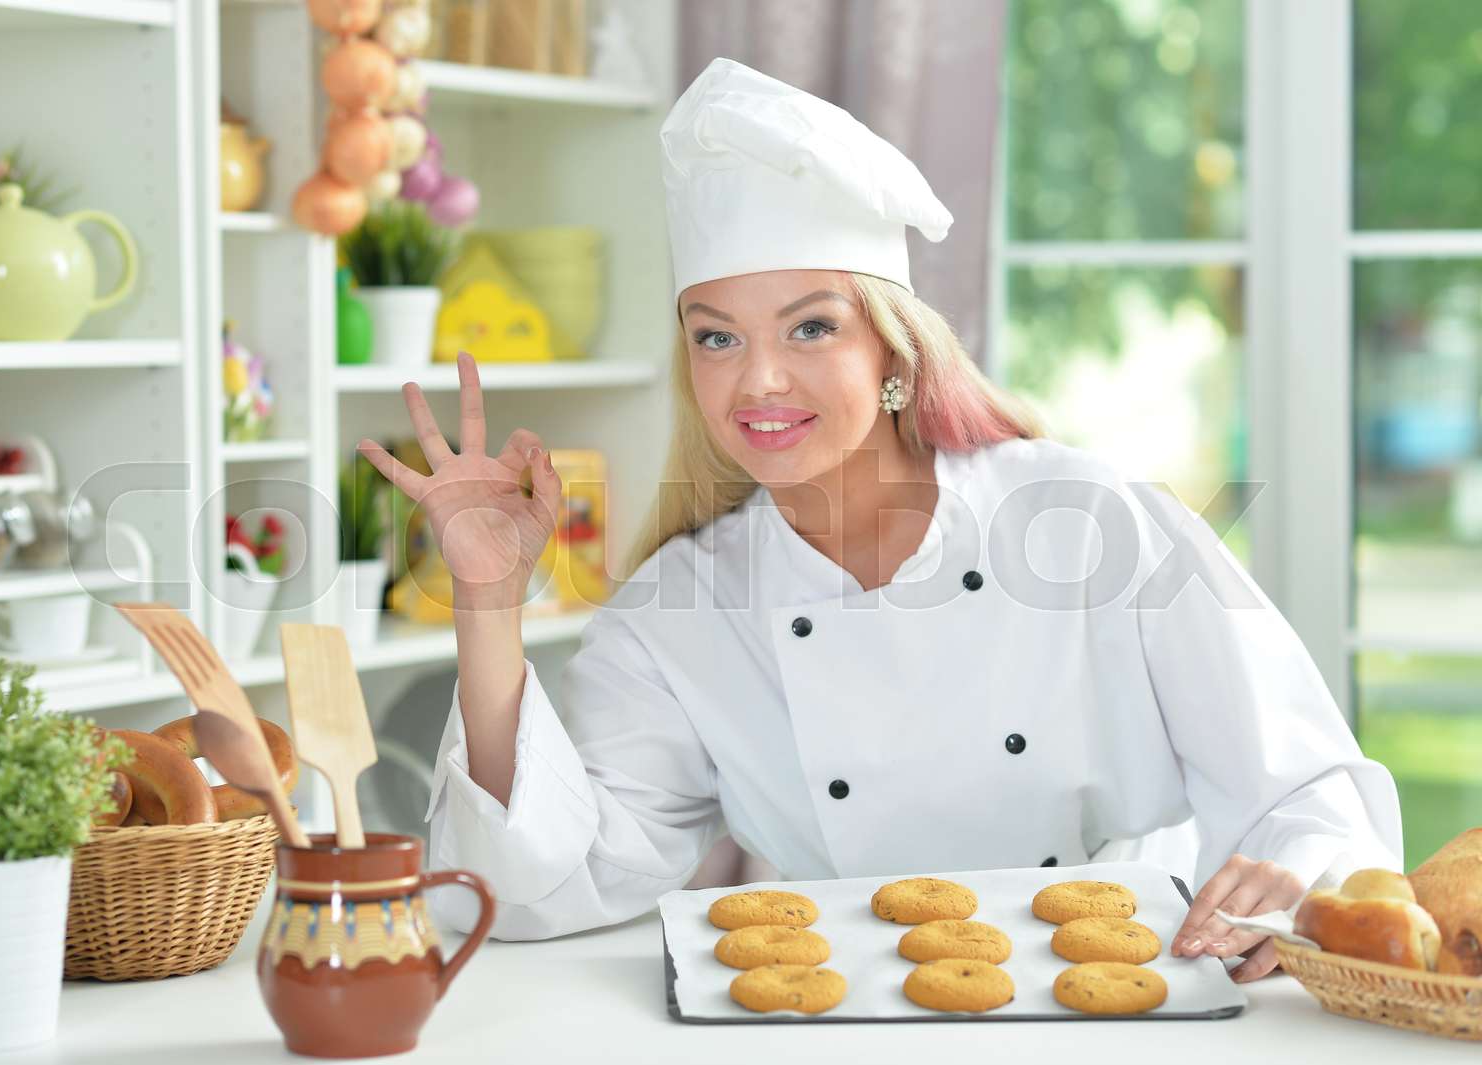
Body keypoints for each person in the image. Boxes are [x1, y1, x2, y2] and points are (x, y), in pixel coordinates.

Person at [357, 57, 1402, 982]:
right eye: (715, 338)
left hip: (1126, 996)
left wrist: (1294, 882)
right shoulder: (680, 609)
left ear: (894, 353)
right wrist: (487, 608)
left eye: (811, 326)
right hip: (849, 1013)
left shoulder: (1085, 520)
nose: (758, 379)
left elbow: (1309, 791)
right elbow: (536, 890)